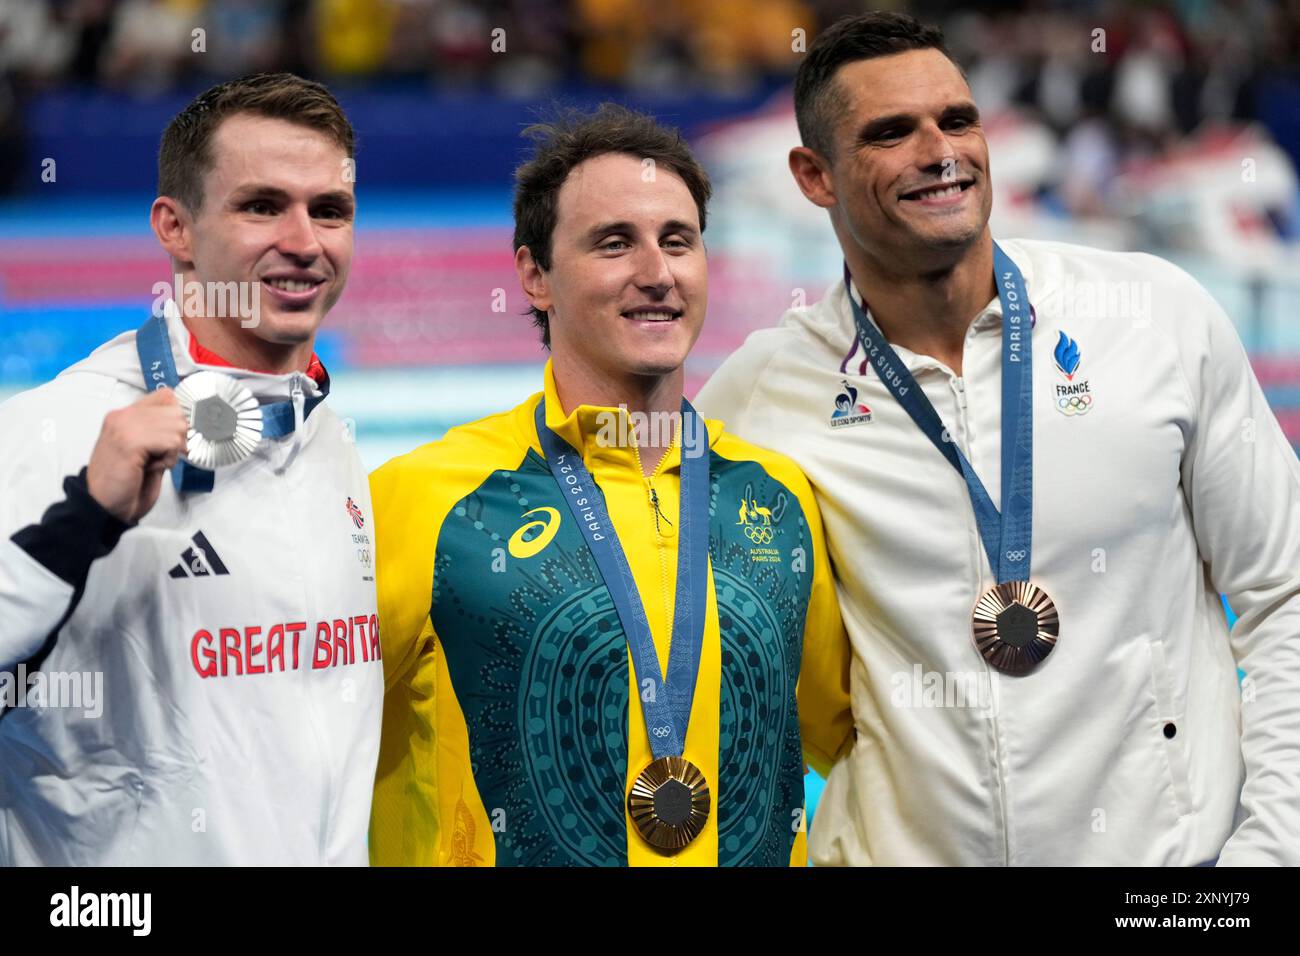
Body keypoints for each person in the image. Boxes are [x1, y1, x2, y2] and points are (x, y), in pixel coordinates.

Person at [695, 12, 1300, 866]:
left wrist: (1271, 851)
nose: (940, 150)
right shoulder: (761, 396)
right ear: (814, 176)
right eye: (891, 133)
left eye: (958, 119)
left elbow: (1285, 591)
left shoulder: (1155, 316)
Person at [368, 104, 851, 866]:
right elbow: (298, 750)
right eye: (614, 243)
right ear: (535, 276)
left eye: (677, 241)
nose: (655, 274)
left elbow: (856, 739)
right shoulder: (422, 500)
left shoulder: (778, 500)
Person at [0, 73, 383, 865]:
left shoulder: (330, 441)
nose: (305, 242)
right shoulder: (53, 430)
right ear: (175, 227)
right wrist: (81, 523)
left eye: (330, 211)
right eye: (261, 205)